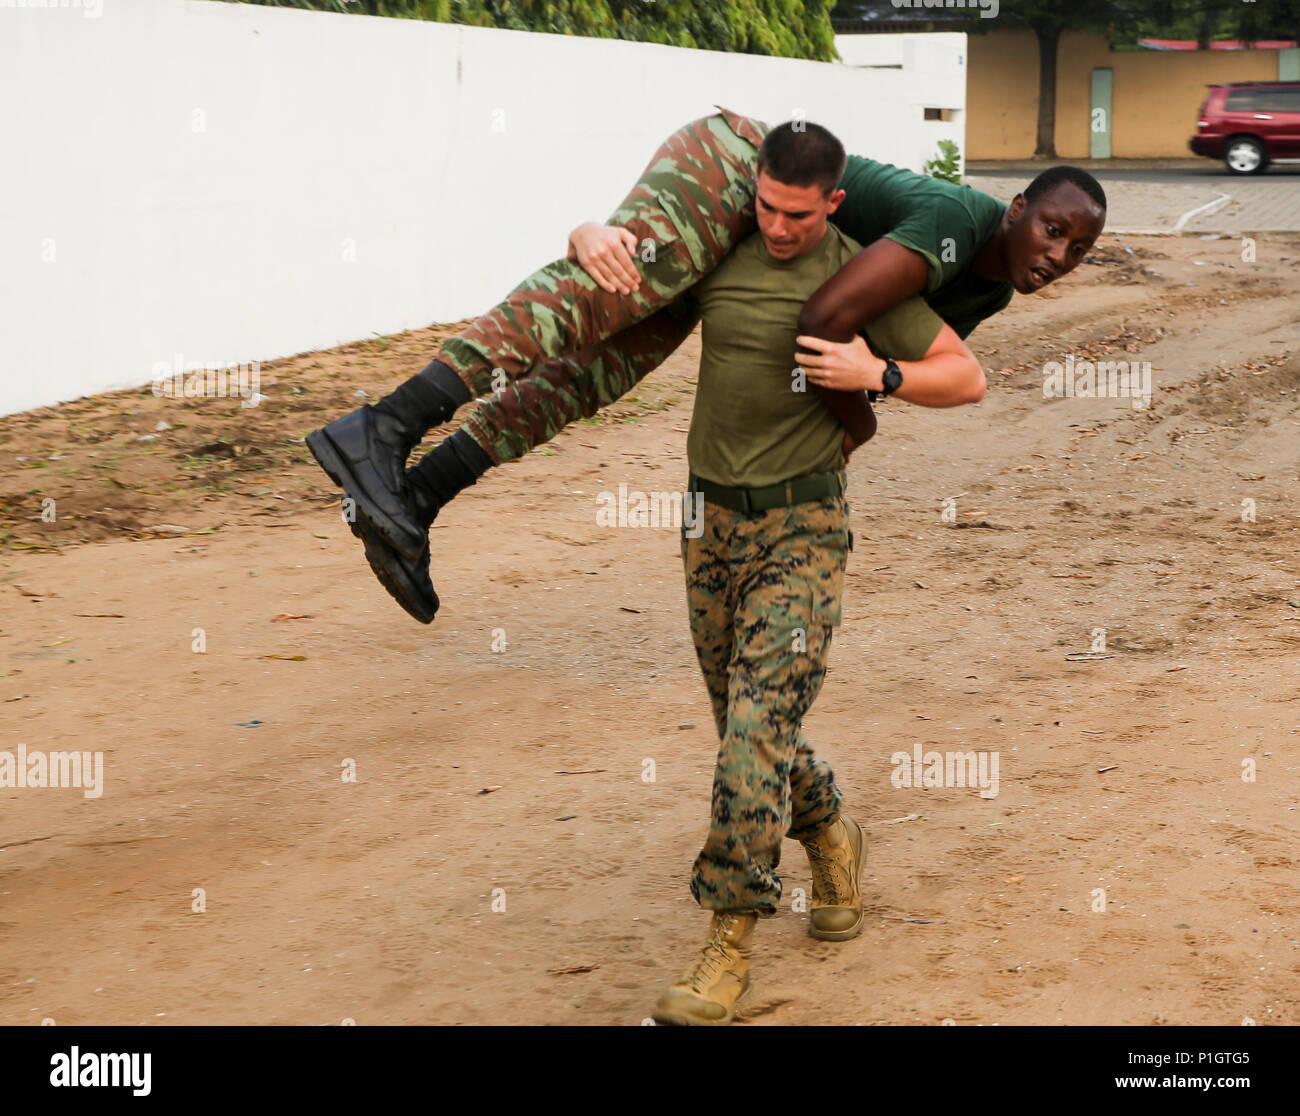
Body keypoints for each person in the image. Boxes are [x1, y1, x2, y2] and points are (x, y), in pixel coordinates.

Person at [306, 109, 1106, 622]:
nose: (1058, 255)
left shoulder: (989, 294)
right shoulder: (953, 223)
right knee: (601, 295)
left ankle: (418, 497)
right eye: (1052, 230)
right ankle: (385, 424)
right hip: (735, 173)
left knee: (599, 373)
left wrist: (859, 399)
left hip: (763, 241)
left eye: (1078, 248)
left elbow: (848, 359)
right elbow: (827, 320)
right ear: (1018, 209)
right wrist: (860, 417)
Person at [643, 123, 985, 1025]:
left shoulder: (857, 276)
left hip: (803, 528)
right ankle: (832, 829)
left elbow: (967, 374)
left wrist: (881, 371)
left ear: (833, 202)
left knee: (754, 727)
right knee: (745, 728)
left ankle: (729, 943)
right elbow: (620, 277)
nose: (778, 227)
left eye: (797, 213)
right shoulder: (721, 252)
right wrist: (586, 236)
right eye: (765, 206)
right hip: (705, 522)